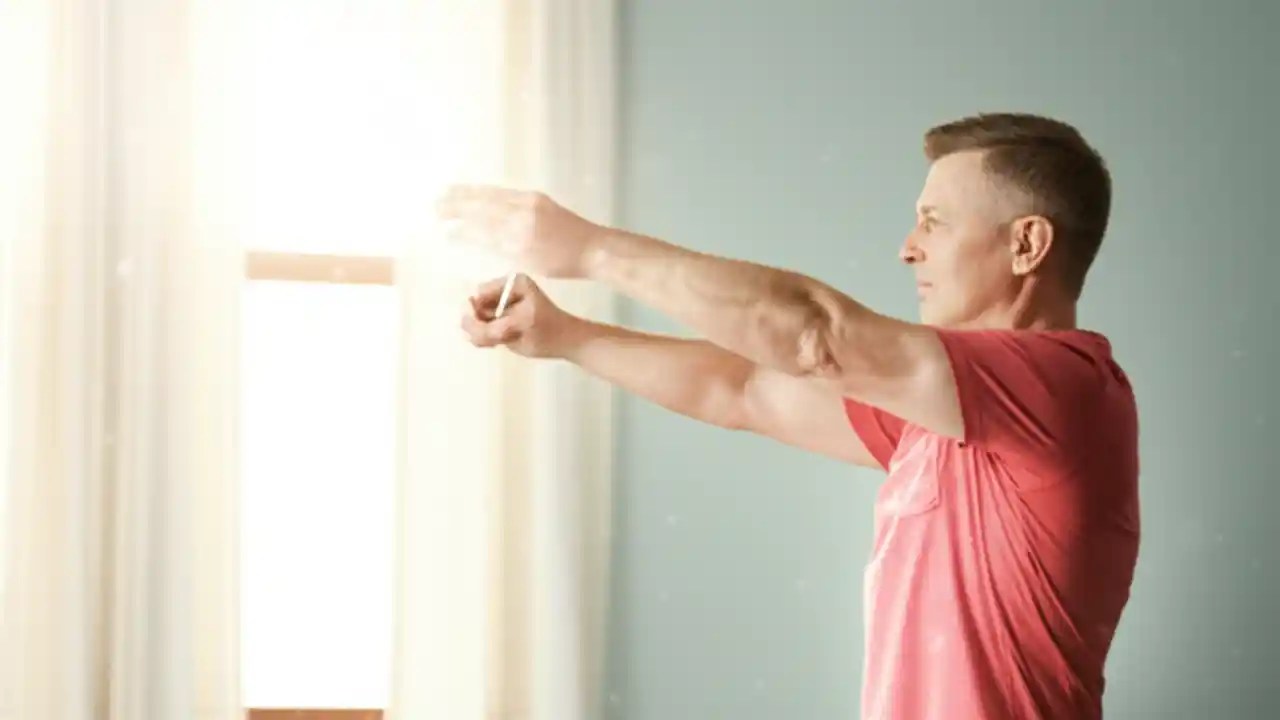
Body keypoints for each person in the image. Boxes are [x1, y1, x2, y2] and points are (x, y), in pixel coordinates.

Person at [440, 112, 1140, 720]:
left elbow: (814, 335)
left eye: (934, 222)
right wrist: (569, 336)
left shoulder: (1064, 388)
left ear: (1027, 245)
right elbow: (742, 388)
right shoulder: (938, 420)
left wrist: (591, 250)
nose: (908, 247)